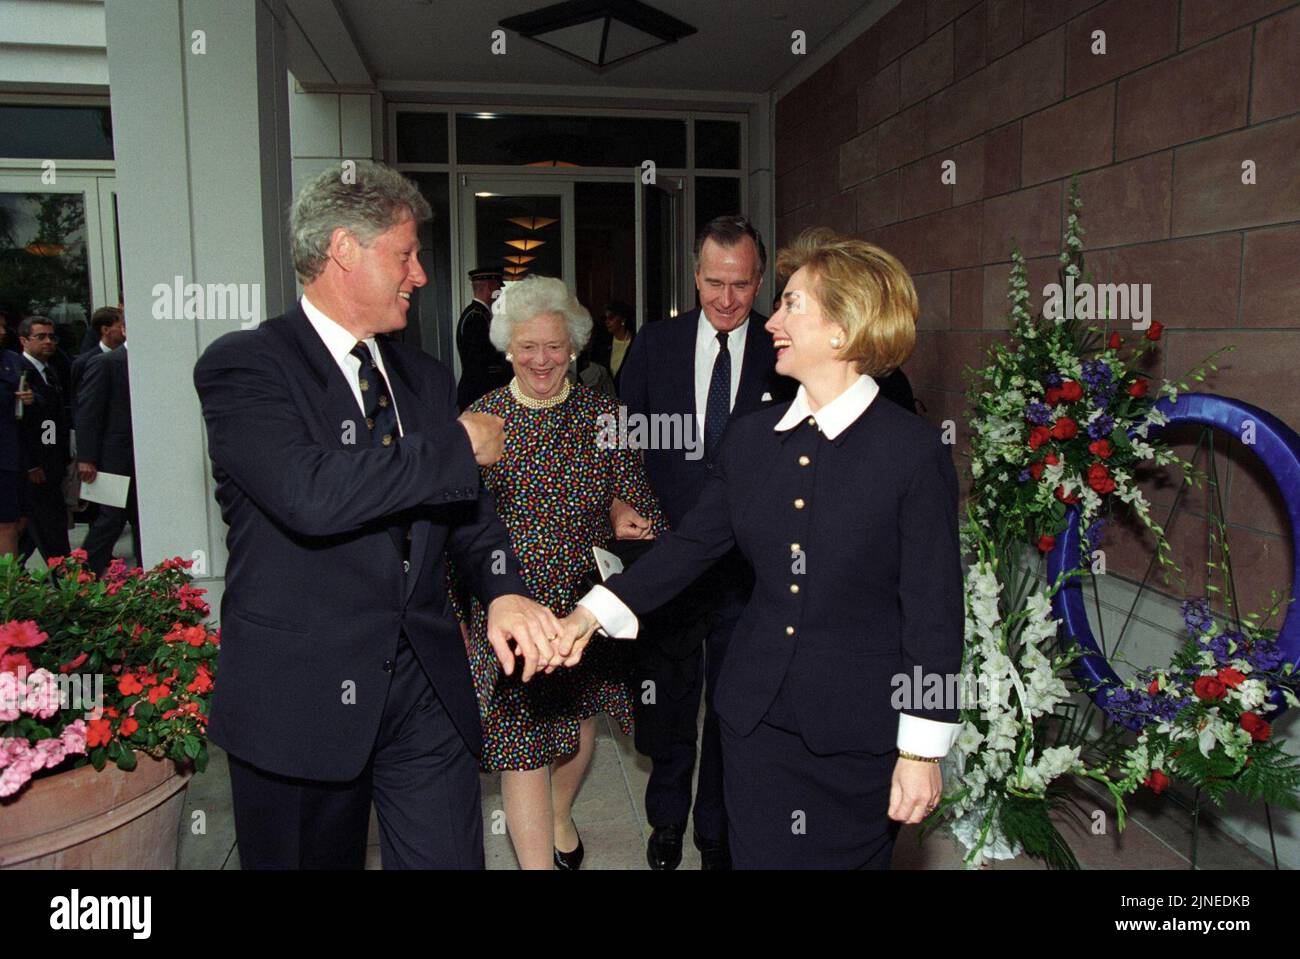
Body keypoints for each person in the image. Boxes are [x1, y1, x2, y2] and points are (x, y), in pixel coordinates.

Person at [193, 162, 565, 870]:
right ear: (344, 250)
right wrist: (457, 443)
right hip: (299, 698)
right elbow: (313, 492)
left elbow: (468, 514)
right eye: (406, 253)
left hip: (423, 685)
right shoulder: (247, 366)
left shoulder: (422, 377)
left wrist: (503, 587)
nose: (420, 274)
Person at [562, 228, 964, 869]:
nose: (770, 319)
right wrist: (590, 615)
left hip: (857, 734)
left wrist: (921, 751)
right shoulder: (751, 441)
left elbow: (936, 612)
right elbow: (690, 546)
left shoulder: (910, 453)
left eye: (791, 304)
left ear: (843, 328)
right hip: (754, 724)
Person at [454, 274, 666, 870]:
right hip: (510, 601)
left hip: (583, 600)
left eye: (553, 346)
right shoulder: (481, 418)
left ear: (573, 346)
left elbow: (632, 492)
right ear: (507, 348)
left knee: (577, 726)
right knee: (522, 745)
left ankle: (560, 812)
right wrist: (459, 610)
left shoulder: (606, 414)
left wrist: (626, 510)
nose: (541, 359)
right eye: (527, 346)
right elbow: (455, 521)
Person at [615, 214, 795, 870]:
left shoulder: (787, 350)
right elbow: (619, 437)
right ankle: (666, 821)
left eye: (741, 285)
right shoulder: (656, 346)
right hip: (670, 559)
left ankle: (718, 833)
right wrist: (616, 497)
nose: (726, 298)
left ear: (760, 280)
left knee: (733, 707)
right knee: (667, 702)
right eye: (714, 282)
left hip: (751, 571)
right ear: (694, 276)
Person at [76, 338, 140, 575]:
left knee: (141, 519)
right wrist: (86, 457)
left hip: (143, 457)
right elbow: (88, 412)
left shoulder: (152, 361)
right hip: (114, 458)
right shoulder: (105, 363)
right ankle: (83, 573)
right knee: (110, 519)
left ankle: (147, 575)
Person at [16, 316, 72, 563]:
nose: (48, 342)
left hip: (51, 461)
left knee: (33, 531)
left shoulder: (50, 369)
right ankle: (66, 578)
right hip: (36, 466)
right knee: (49, 526)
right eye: (41, 337)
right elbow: (24, 426)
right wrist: (33, 463)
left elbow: (50, 421)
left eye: (51, 336)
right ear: (24, 340)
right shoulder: (21, 373)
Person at [455, 267, 510, 410]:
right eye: (498, 286)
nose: (500, 292)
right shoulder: (476, 317)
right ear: (490, 286)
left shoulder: (479, 314)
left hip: (480, 391)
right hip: (479, 393)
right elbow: (483, 363)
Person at [0, 329, 33, 558]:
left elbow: (43, 419)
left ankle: (7, 588)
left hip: (9, 454)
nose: (2, 331)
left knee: (13, 522)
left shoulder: (12, 359)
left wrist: (30, 399)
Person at [594, 300, 635, 391]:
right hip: (607, 397)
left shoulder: (635, 343)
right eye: (605, 318)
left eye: (611, 318)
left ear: (623, 320)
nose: (607, 321)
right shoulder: (603, 344)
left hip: (628, 395)